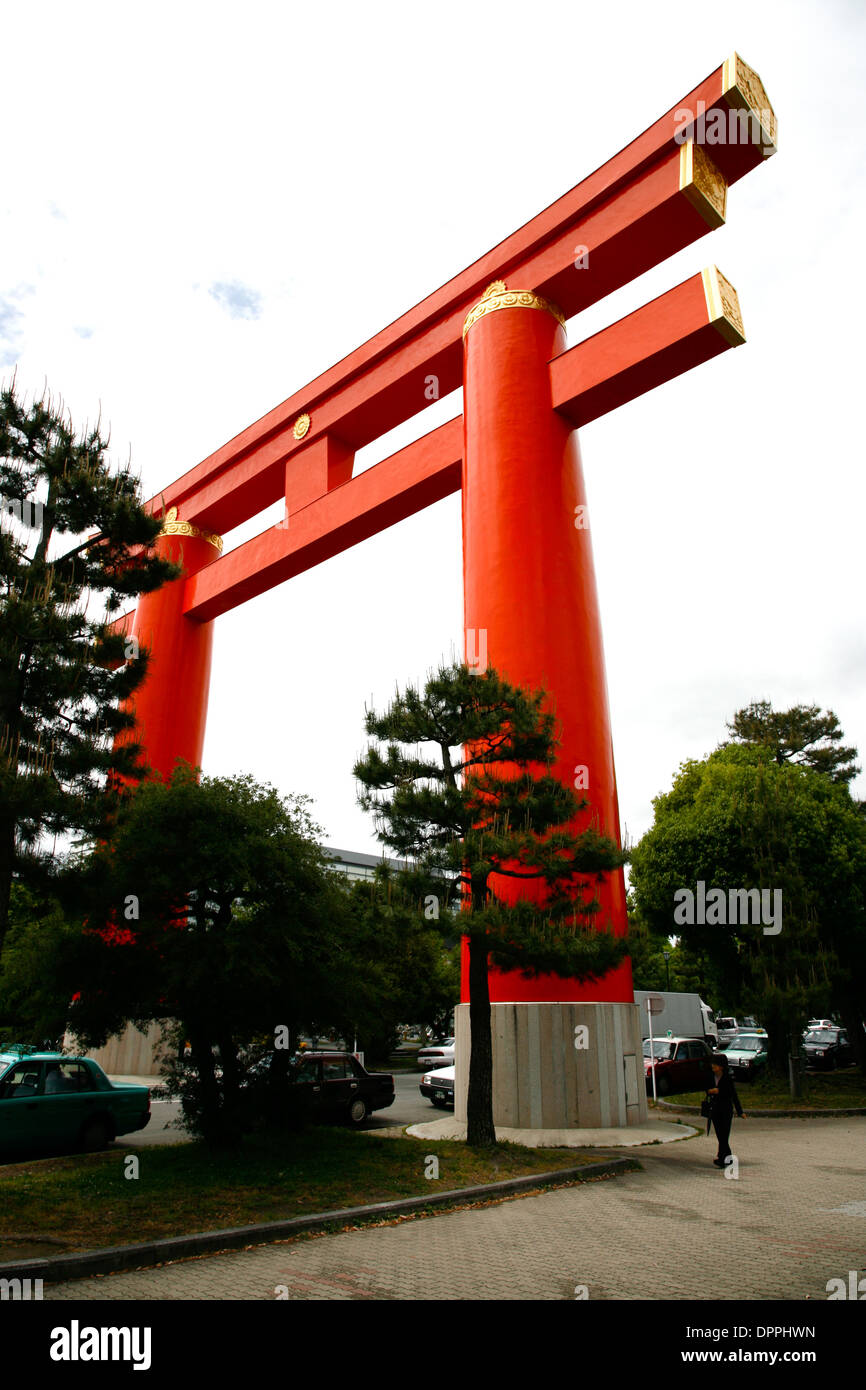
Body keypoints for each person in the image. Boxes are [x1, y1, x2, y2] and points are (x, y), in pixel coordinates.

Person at [706, 1052, 745, 1168]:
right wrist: (710, 1091)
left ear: (722, 1066)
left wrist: (740, 1111)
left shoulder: (727, 1078)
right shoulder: (710, 1076)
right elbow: (706, 1089)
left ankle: (724, 1159)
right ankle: (725, 1158)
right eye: (712, 1064)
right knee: (720, 1135)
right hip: (714, 1110)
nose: (713, 1066)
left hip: (726, 1110)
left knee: (724, 1135)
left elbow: (733, 1095)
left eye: (716, 1064)